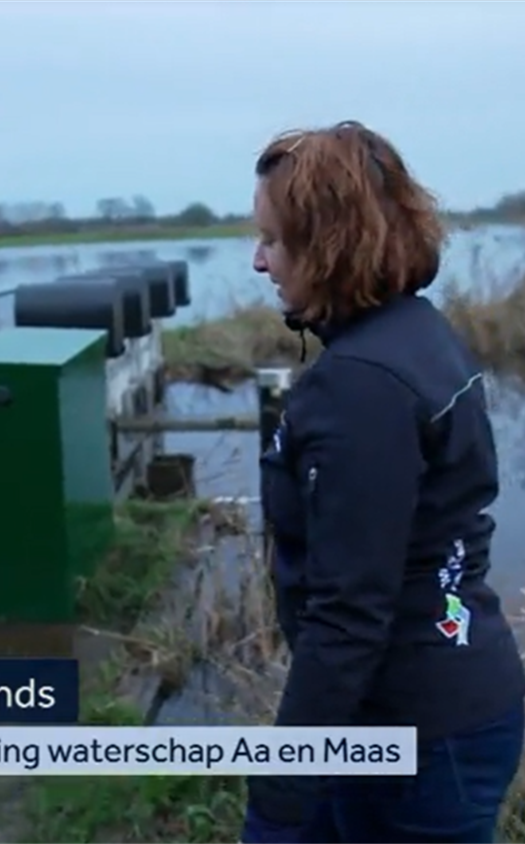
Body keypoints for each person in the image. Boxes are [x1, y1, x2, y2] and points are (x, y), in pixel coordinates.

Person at [242, 120, 525, 844]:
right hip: (454, 700)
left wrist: (279, 790)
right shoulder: (418, 333)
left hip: (416, 737)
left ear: (328, 244)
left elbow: (348, 612)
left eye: (273, 241)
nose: (258, 261)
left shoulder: (360, 387)